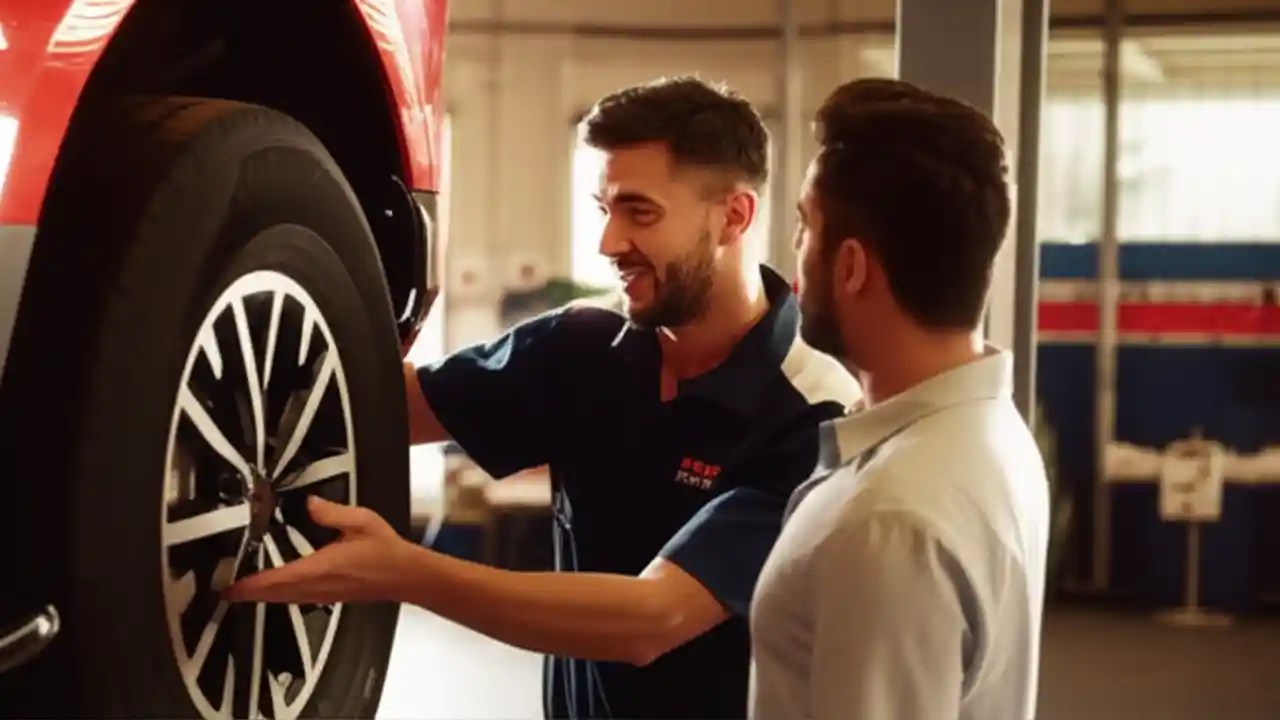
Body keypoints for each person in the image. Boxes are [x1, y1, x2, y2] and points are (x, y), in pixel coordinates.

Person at [226, 76, 860, 719]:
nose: (609, 244)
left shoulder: (810, 414)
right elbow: (373, 406)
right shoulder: (584, 348)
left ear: (734, 216)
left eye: (639, 212)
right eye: (603, 208)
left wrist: (406, 573)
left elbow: (653, 619)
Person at [748, 78, 1051, 720]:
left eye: (805, 227)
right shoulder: (993, 433)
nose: (796, 257)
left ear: (853, 266)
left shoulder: (888, 523)